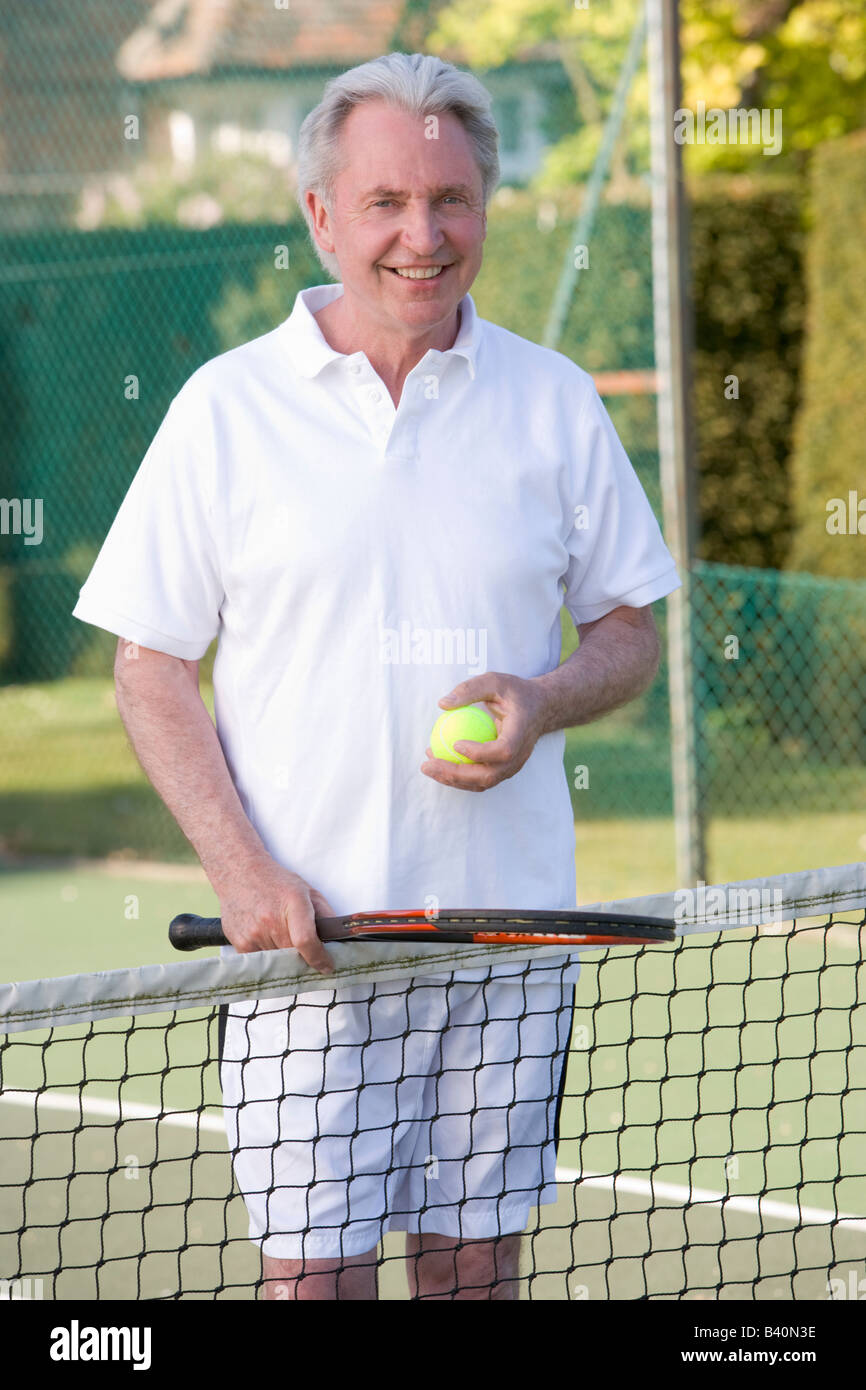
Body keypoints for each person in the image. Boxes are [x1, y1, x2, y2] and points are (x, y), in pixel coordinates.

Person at [72, 51, 680, 1300]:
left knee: (472, 1279)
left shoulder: (554, 404)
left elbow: (632, 625)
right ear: (320, 216)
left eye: (450, 200)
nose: (423, 235)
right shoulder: (224, 410)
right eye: (387, 203)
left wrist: (544, 696)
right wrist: (241, 871)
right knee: (319, 1290)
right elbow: (149, 662)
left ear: (483, 210)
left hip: (501, 948)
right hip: (309, 963)